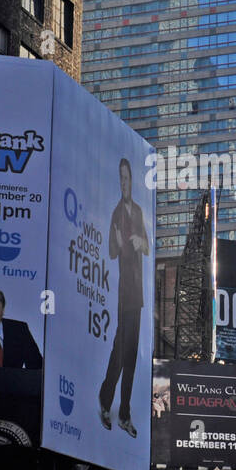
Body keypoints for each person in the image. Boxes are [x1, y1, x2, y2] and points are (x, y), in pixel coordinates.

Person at [99, 157, 148, 437]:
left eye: (128, 178)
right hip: (124, 295)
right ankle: (106, 400)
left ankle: (124, 413)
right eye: (122, 179)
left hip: (137, 295)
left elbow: (148, 247)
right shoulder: (117, 214)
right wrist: (119, 242)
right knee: (120, 351)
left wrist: (141, 242)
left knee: (130, 356)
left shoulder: (139, 211)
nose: (125, 183)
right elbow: (113, 252)